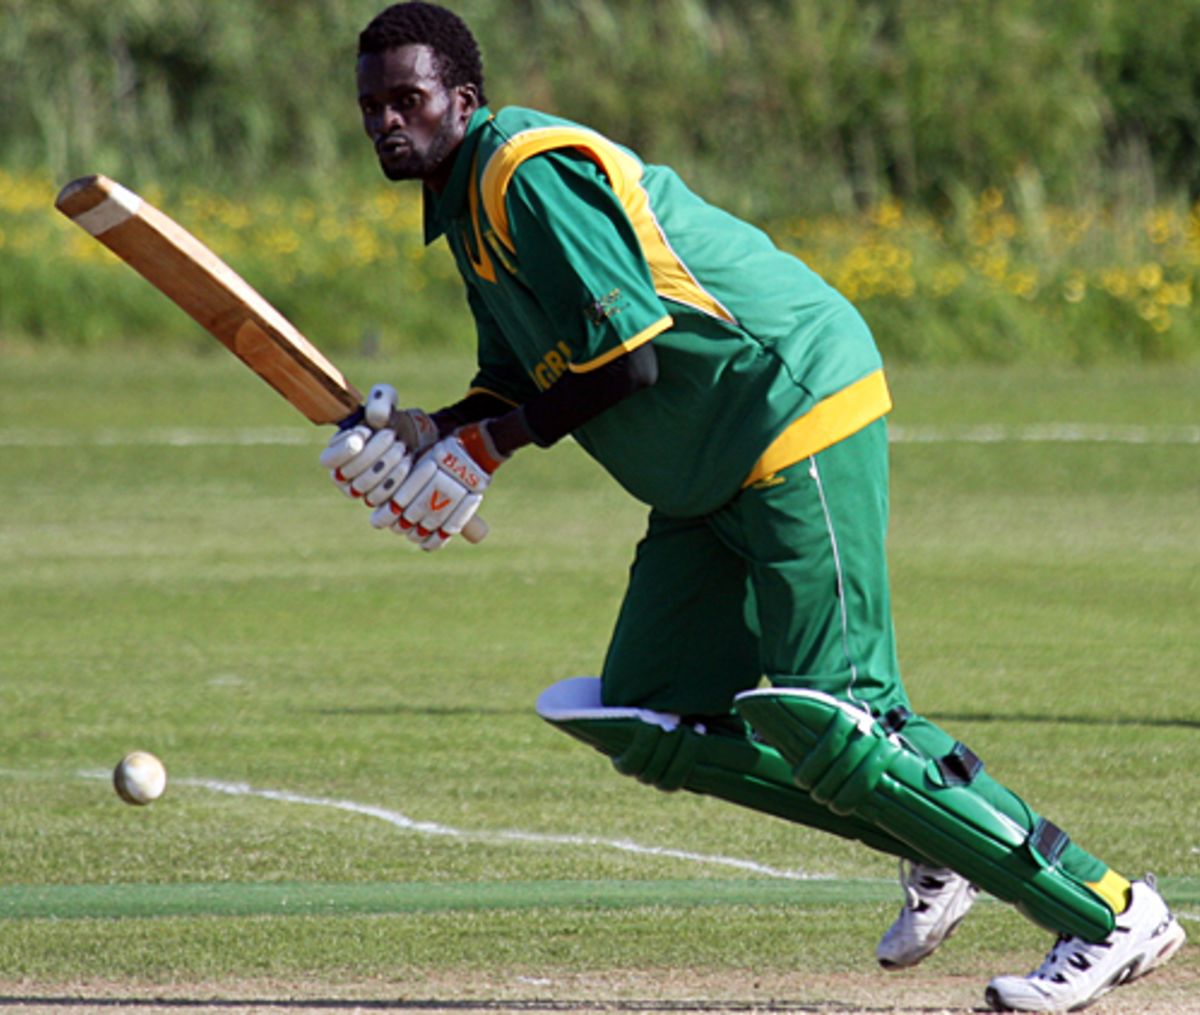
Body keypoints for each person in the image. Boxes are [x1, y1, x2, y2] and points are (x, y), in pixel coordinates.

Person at [321, 4, 1186, 1010]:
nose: (387, 120)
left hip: (789, 409)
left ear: (461, 101)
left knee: (842, 718)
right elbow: (522, 377)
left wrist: (489, 445)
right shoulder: (466, 209)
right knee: (643, 714)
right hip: (705, 474)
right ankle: (933, 831)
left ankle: (1111, 911)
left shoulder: (522, 172)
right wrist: (439, 431)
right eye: (372, 105)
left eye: (408, 99)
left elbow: (629, 358)